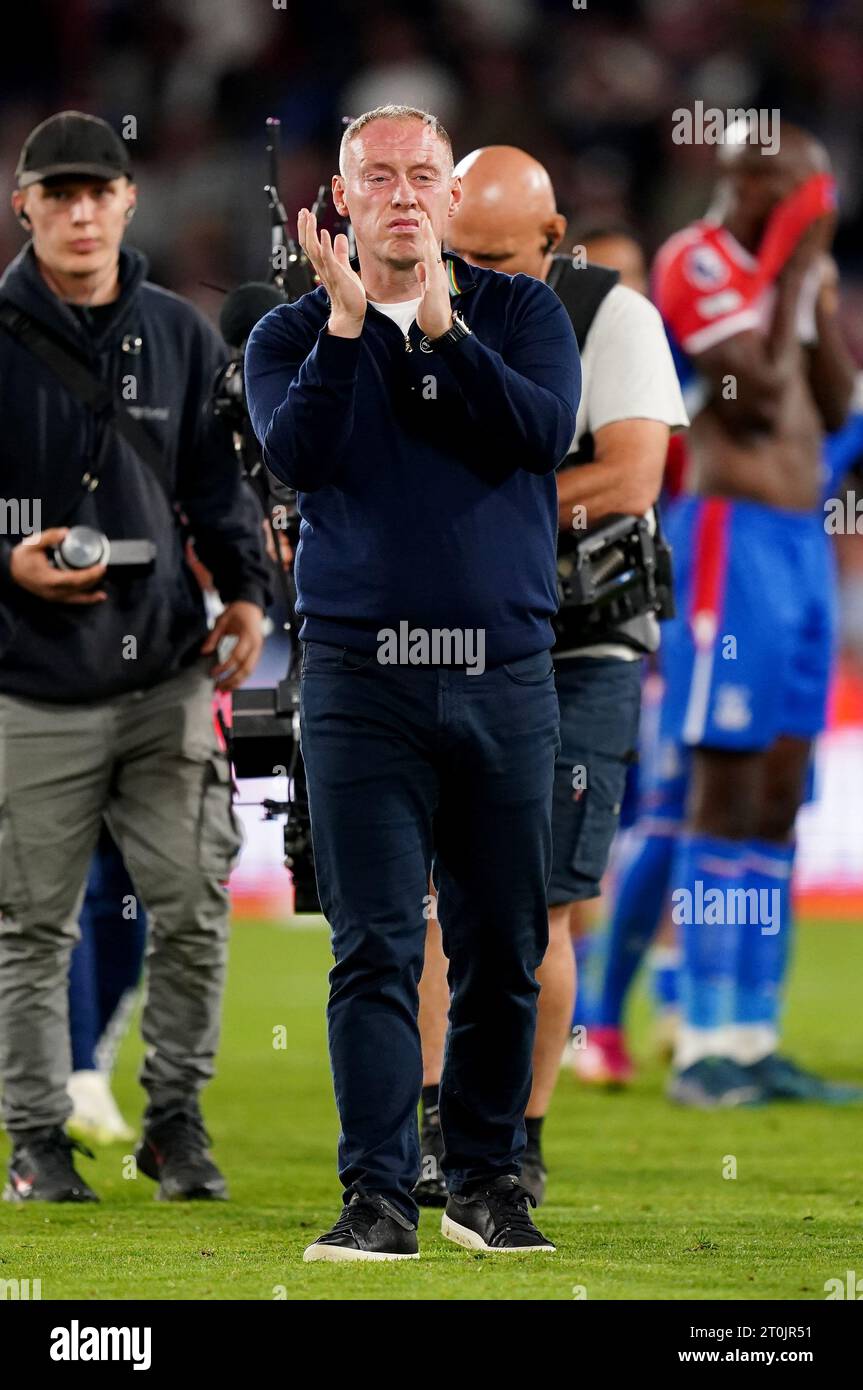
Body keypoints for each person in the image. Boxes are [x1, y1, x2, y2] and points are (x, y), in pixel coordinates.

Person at [245, 106, 580, 1260]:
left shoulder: (522, 312)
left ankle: (486, 1183)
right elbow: (299, 458)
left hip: (502, 674)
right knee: (375, 945)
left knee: (501, 947)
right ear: (338, 201)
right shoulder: (290, 335)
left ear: (447, 198)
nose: (399, 193)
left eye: (419, 175)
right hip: (357, 683)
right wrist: (350, 332)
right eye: (375, 176)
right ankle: (378, 1195)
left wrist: (442, 333)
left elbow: (539, 434)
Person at [0, 111, 269, 1202]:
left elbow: (218, 486)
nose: (75, 210)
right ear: (24, 205)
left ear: (125, 202)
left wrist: (248, 593)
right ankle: (34, 1137)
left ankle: (172, 1122)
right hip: (29, 678)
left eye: (93, 191)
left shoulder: (180, 331)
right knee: (29, 925)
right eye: (54, 193)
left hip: (164, 670)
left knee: (193, 907)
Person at [410, 146, 687, 1205]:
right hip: (457, 640)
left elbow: (630, 474)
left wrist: (481, 521)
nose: (470, 276)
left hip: (580, 643)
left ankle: (517, 1138)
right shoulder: (412, 304)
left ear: (552, 239)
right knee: (446, 904)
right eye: (456, 254)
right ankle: (439, 1128)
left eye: (495, 258)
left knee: (550, 905)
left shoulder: (610, 318)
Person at [651, 122, 858, 1106]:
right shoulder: (693, 261)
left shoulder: (797, 277)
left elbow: (833, 402)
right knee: (721, 787)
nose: (820, 206)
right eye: (804, 189)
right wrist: (792, 270)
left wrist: (813, 292)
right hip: (724, 541)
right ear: (752, 180)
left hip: (799, 549)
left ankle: (751, 1031)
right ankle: (698, 1042)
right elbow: (750, 398)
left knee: (777, 793)